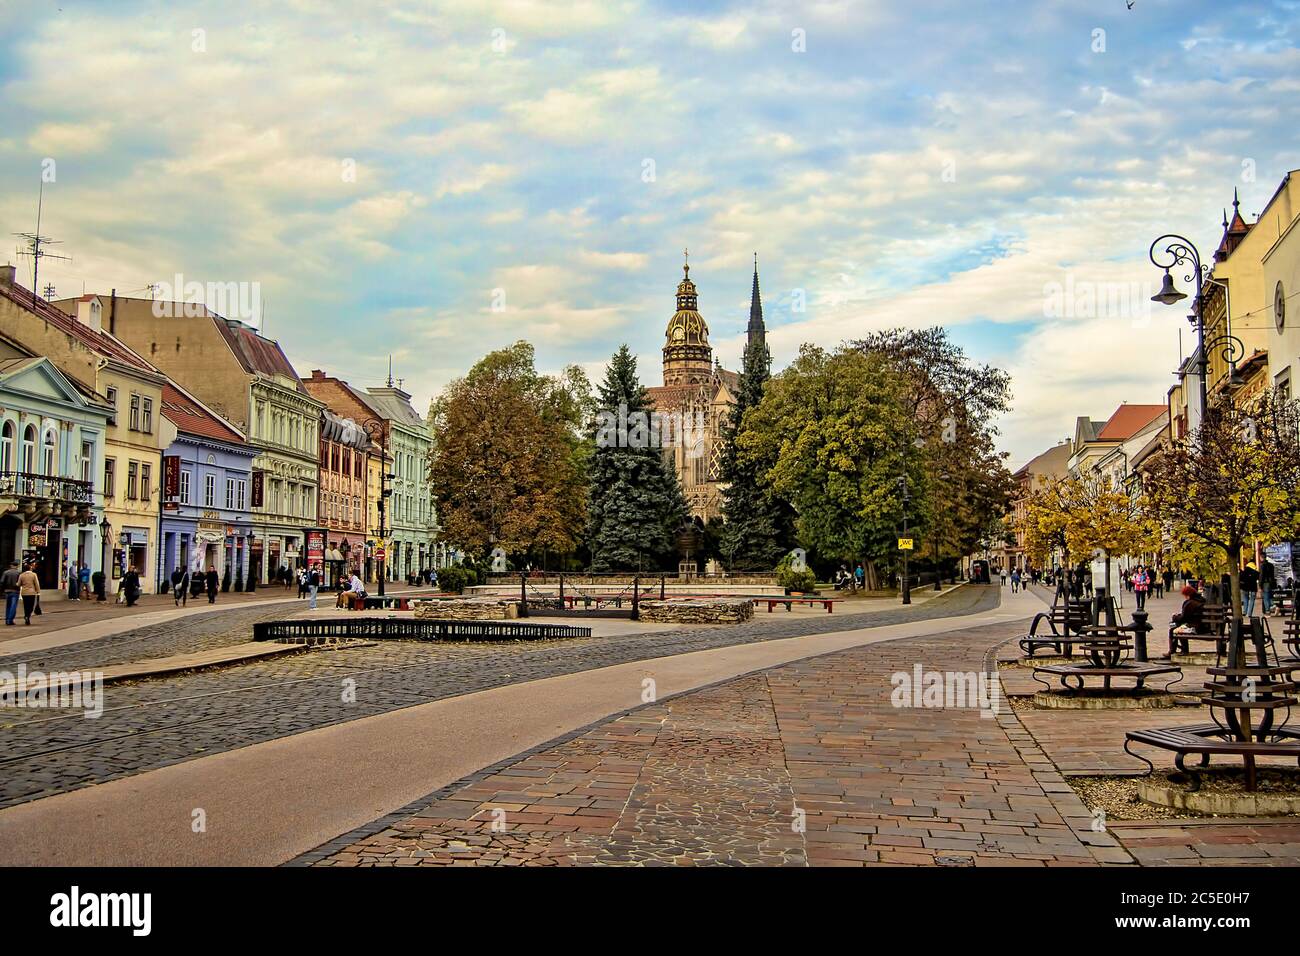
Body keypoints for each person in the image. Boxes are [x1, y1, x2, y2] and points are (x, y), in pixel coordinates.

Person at [1168, 584, 1209, 657]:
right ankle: (1182, 650)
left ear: (1188, 594)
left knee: (1173, 629)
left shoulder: (1190, 603)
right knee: (1177, 626)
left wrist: (1174, 617)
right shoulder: (1201, 601)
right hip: (1203, 626)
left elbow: (1183, 618)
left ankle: (1173, 651)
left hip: (1195, 627)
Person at [1, 561, 20, 626]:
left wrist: (2, 591)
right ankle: (10, 620)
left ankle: (7, 620)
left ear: (11, 565)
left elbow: (2, 582)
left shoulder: (6, 572)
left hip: (7, 591)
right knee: (13, 606)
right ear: (17, 566)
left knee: (8, 606)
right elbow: (20, 583)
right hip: (15, 591)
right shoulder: (18, 573)